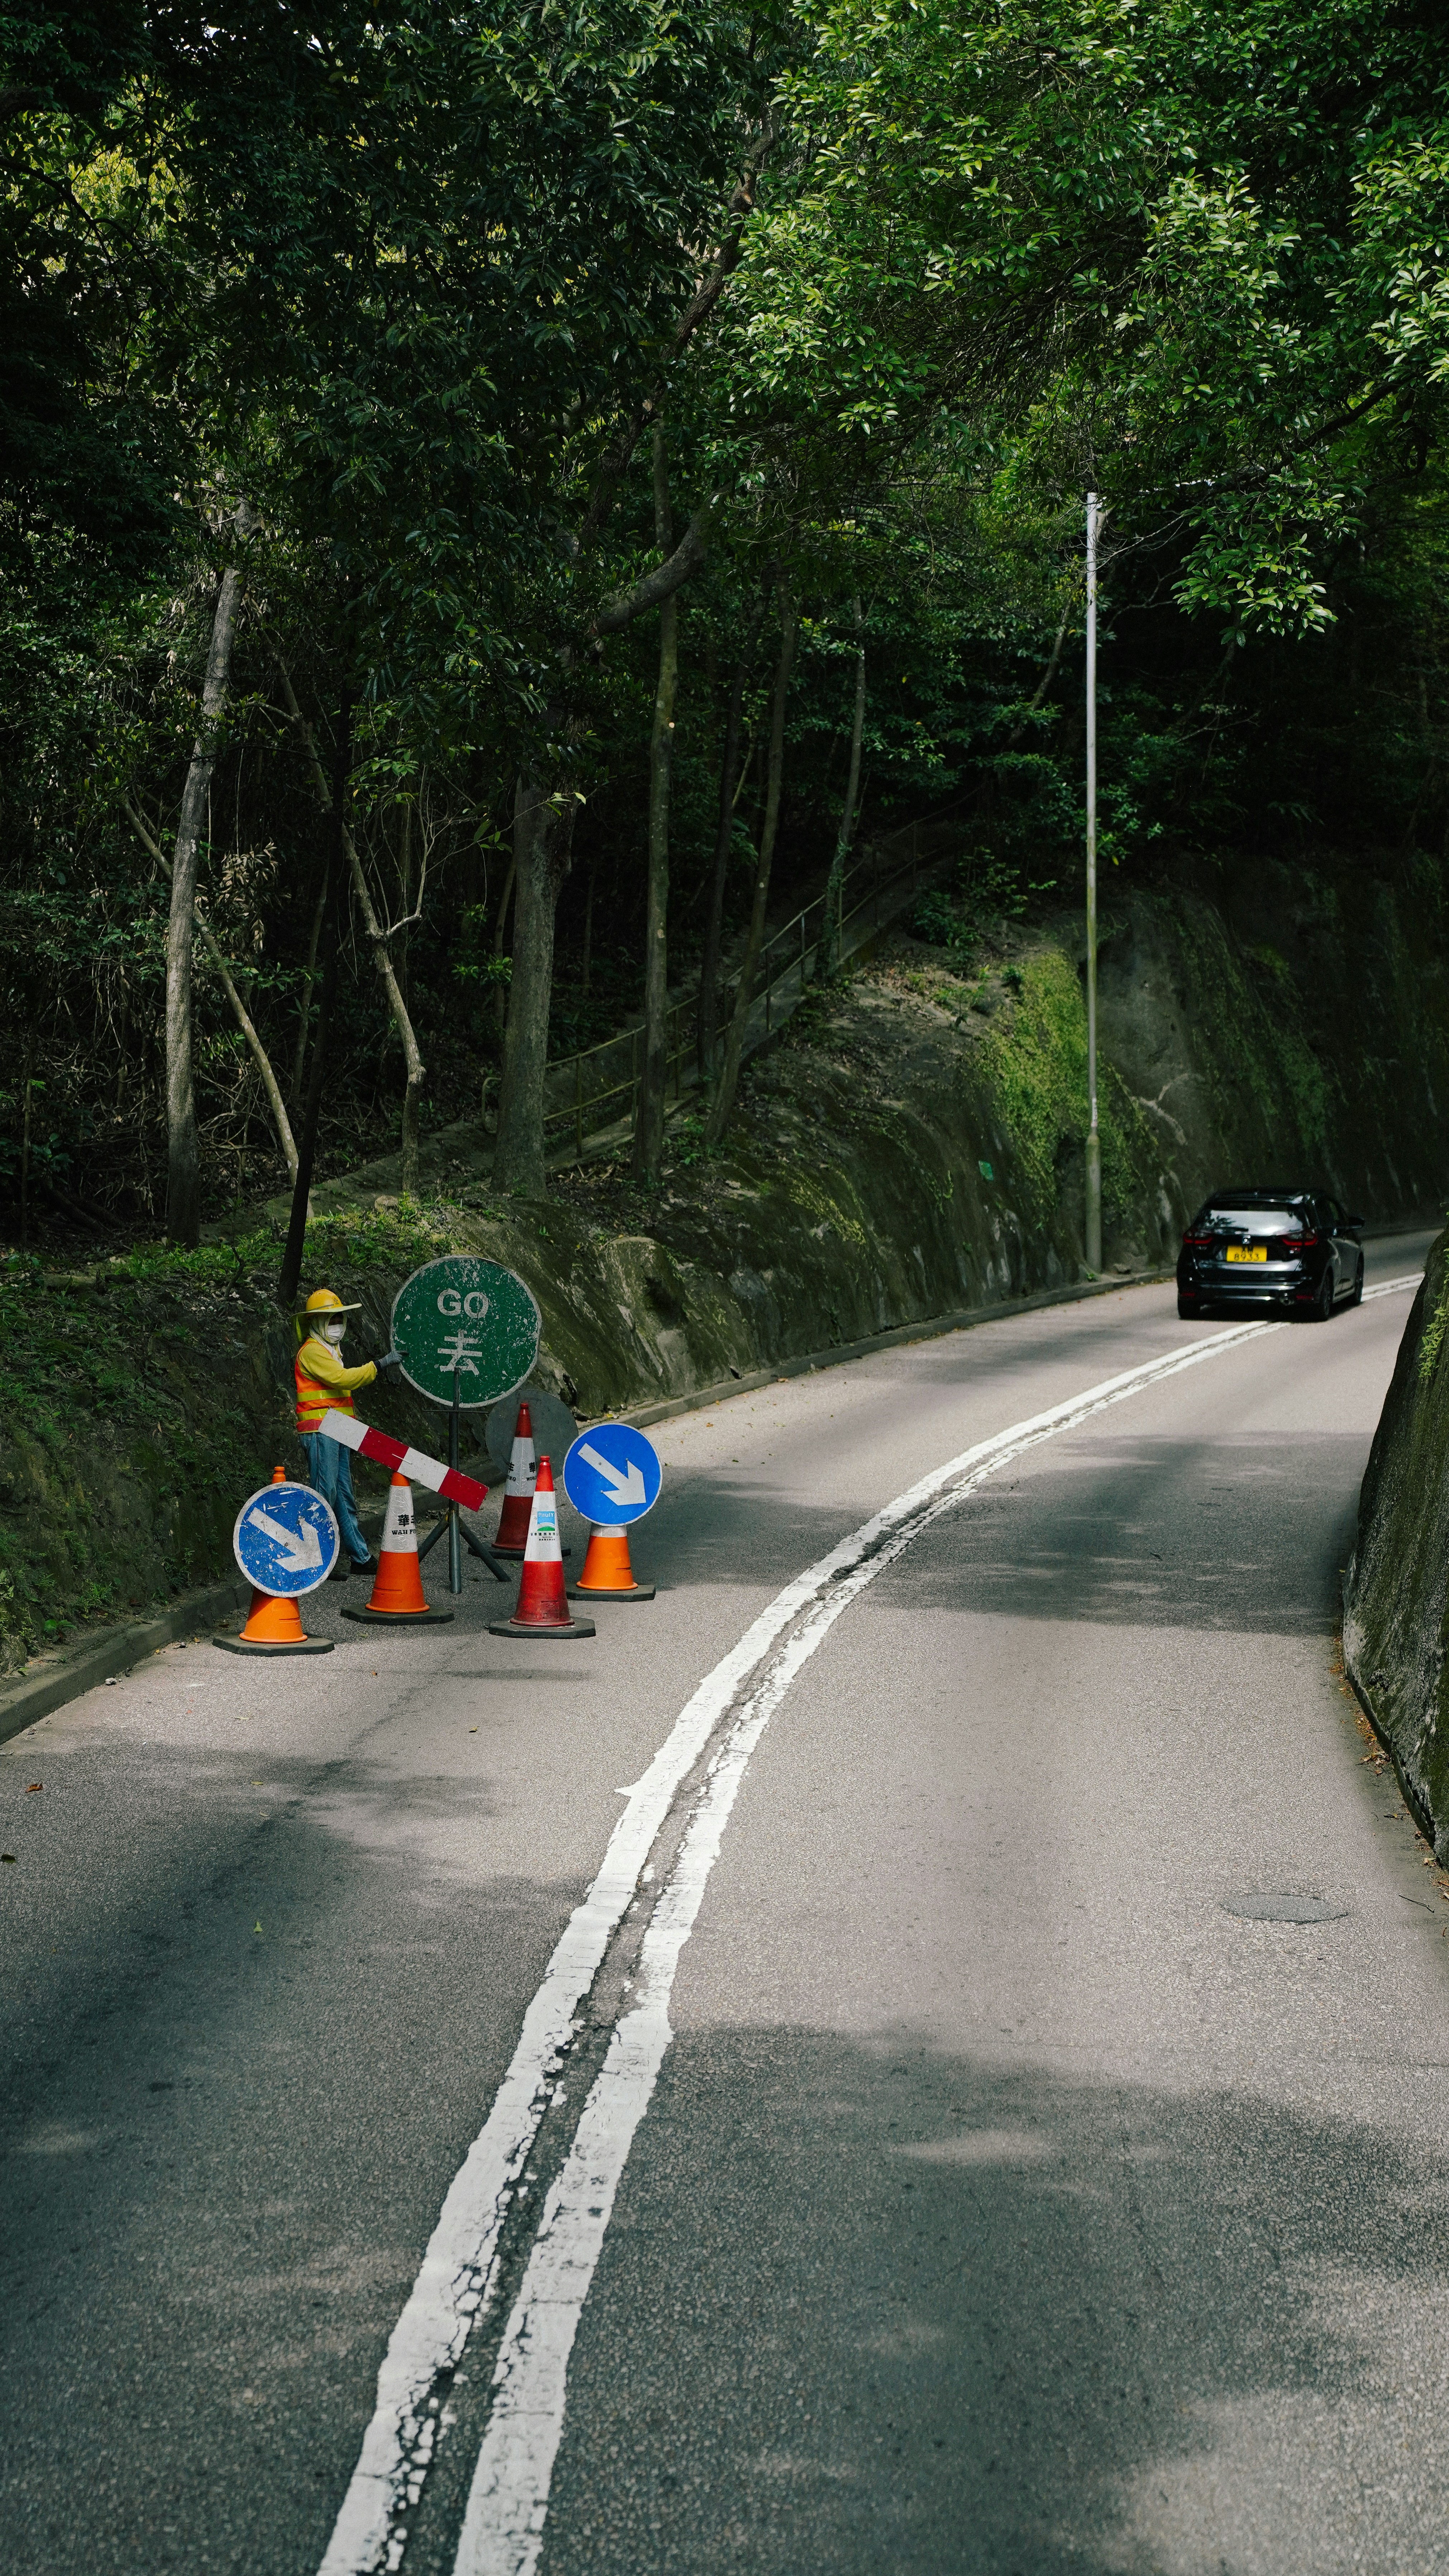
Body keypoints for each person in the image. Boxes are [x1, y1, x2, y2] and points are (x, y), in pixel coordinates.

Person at [294, 1288, 401, 1578]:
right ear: (316, 1322)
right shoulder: (313, 1351)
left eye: (339, 1318)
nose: (337, 1324)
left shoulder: (329, 1351)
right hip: (320, 1430)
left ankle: (360, 1558)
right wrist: (380, 1364)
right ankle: (315, 1561)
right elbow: (343, 1379)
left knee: (342, 1494)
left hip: (337, 1429)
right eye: (331, 1319)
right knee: (324, 1493)